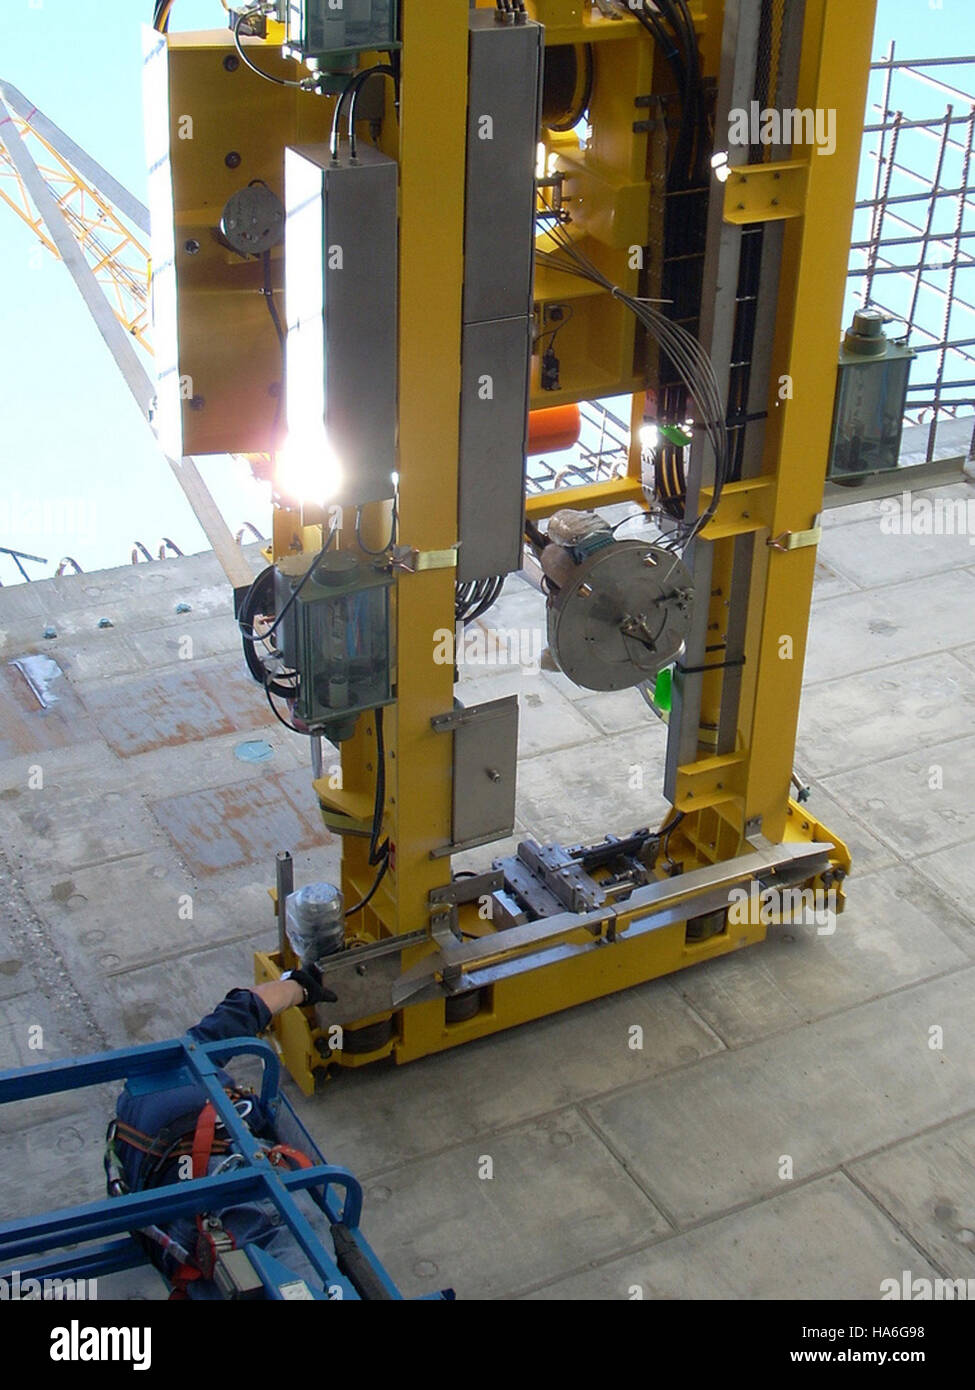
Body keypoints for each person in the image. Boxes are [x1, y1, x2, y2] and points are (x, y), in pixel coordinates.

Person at [105, 966, 337, 1299]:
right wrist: (300, 986)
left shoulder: (133, 1123)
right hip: (237, 1195)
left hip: (177, 1240)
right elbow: (249, 1007)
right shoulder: (187, 1068)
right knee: (299, 1245)